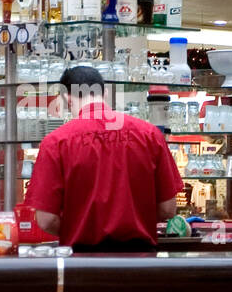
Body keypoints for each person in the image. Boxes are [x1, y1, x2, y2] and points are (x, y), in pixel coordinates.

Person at [24, 65, 183, 252]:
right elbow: (167, 209)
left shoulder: (55, 142)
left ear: (68, 99)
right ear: (105, 93)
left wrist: (80, 227)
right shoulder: (150, 134)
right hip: (141, 260)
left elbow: (46, 219)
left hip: (82, 260)